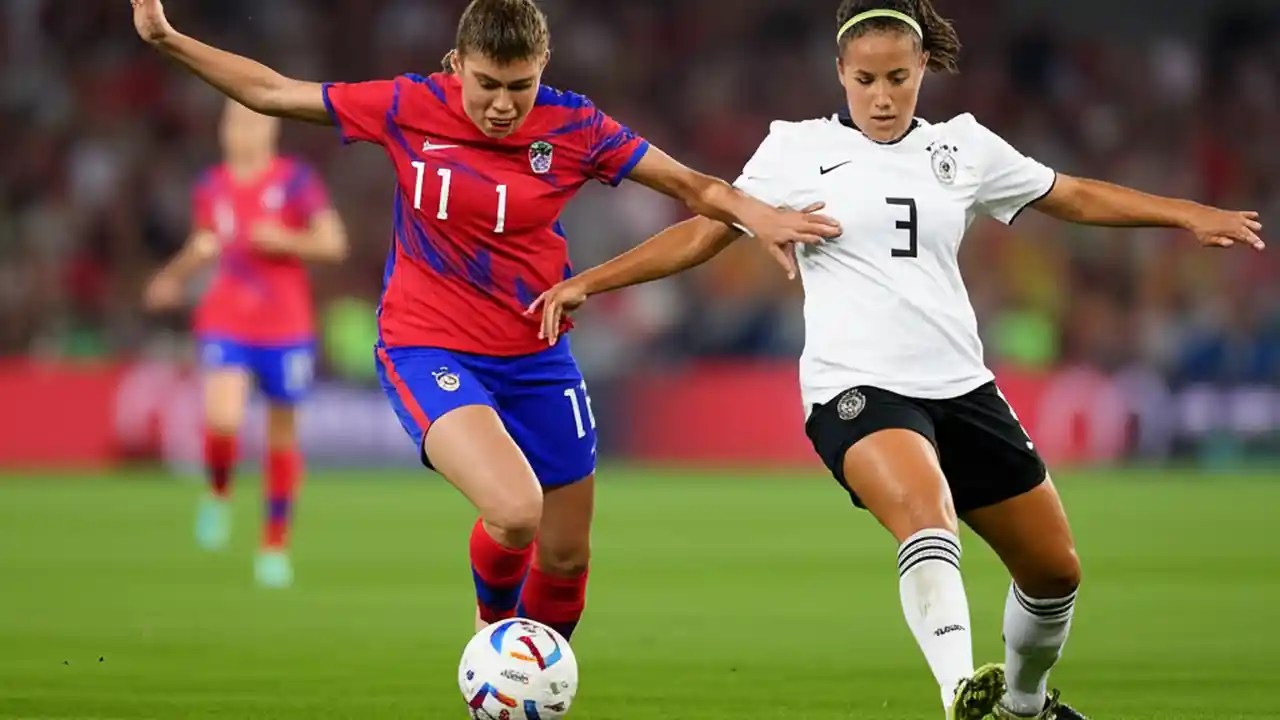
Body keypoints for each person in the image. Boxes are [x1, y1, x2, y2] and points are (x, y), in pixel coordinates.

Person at [529, 1, 1265, 718]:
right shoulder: (795, 148)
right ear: (840, 72)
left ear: (923, 68)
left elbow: (1069, 195)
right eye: (866, 80)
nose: (882, 97)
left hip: (962, 386)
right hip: (856, 388)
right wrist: (591, 280)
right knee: (926, 515)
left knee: (1054, 571)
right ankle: (960, 698)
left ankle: (1022, 705)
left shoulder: (967, 148)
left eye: (898, 79)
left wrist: (1185, 213)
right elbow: (701, 233)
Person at [131, 0, 840, 640]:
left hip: (537, 354)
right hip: (428, 344)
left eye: (519, 86)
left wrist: (759, 216)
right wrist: (169, 40)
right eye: (487, 85)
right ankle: (493, 641)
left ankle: (535, 673)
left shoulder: (575, 125)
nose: (503, 105)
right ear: (458, 66)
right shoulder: (411, 105)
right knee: (514, 510)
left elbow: (695, 187)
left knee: (566, 557)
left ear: (542, 72)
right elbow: (272, 91)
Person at [144, 99, 349, 588]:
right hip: (227, 318)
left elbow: (334, 244)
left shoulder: (295, 181)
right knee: (224, 417)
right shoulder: (211, 186)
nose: (242, 131)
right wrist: (170, 278)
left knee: (281, 435)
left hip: (286, 325)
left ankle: (274, 545)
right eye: (234, 122)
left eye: (252, 121)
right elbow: (204, 244)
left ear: (272, 129)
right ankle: (218, 491)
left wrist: (287, 240)